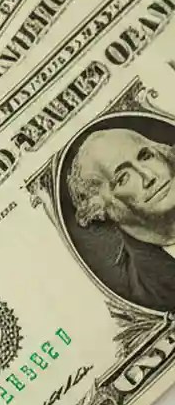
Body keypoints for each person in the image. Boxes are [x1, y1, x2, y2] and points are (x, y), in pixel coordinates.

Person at [67, 126, 175, 312]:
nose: (149, 177)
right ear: (99, 207)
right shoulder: (147, 290)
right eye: (123, 177)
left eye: (145, 156)